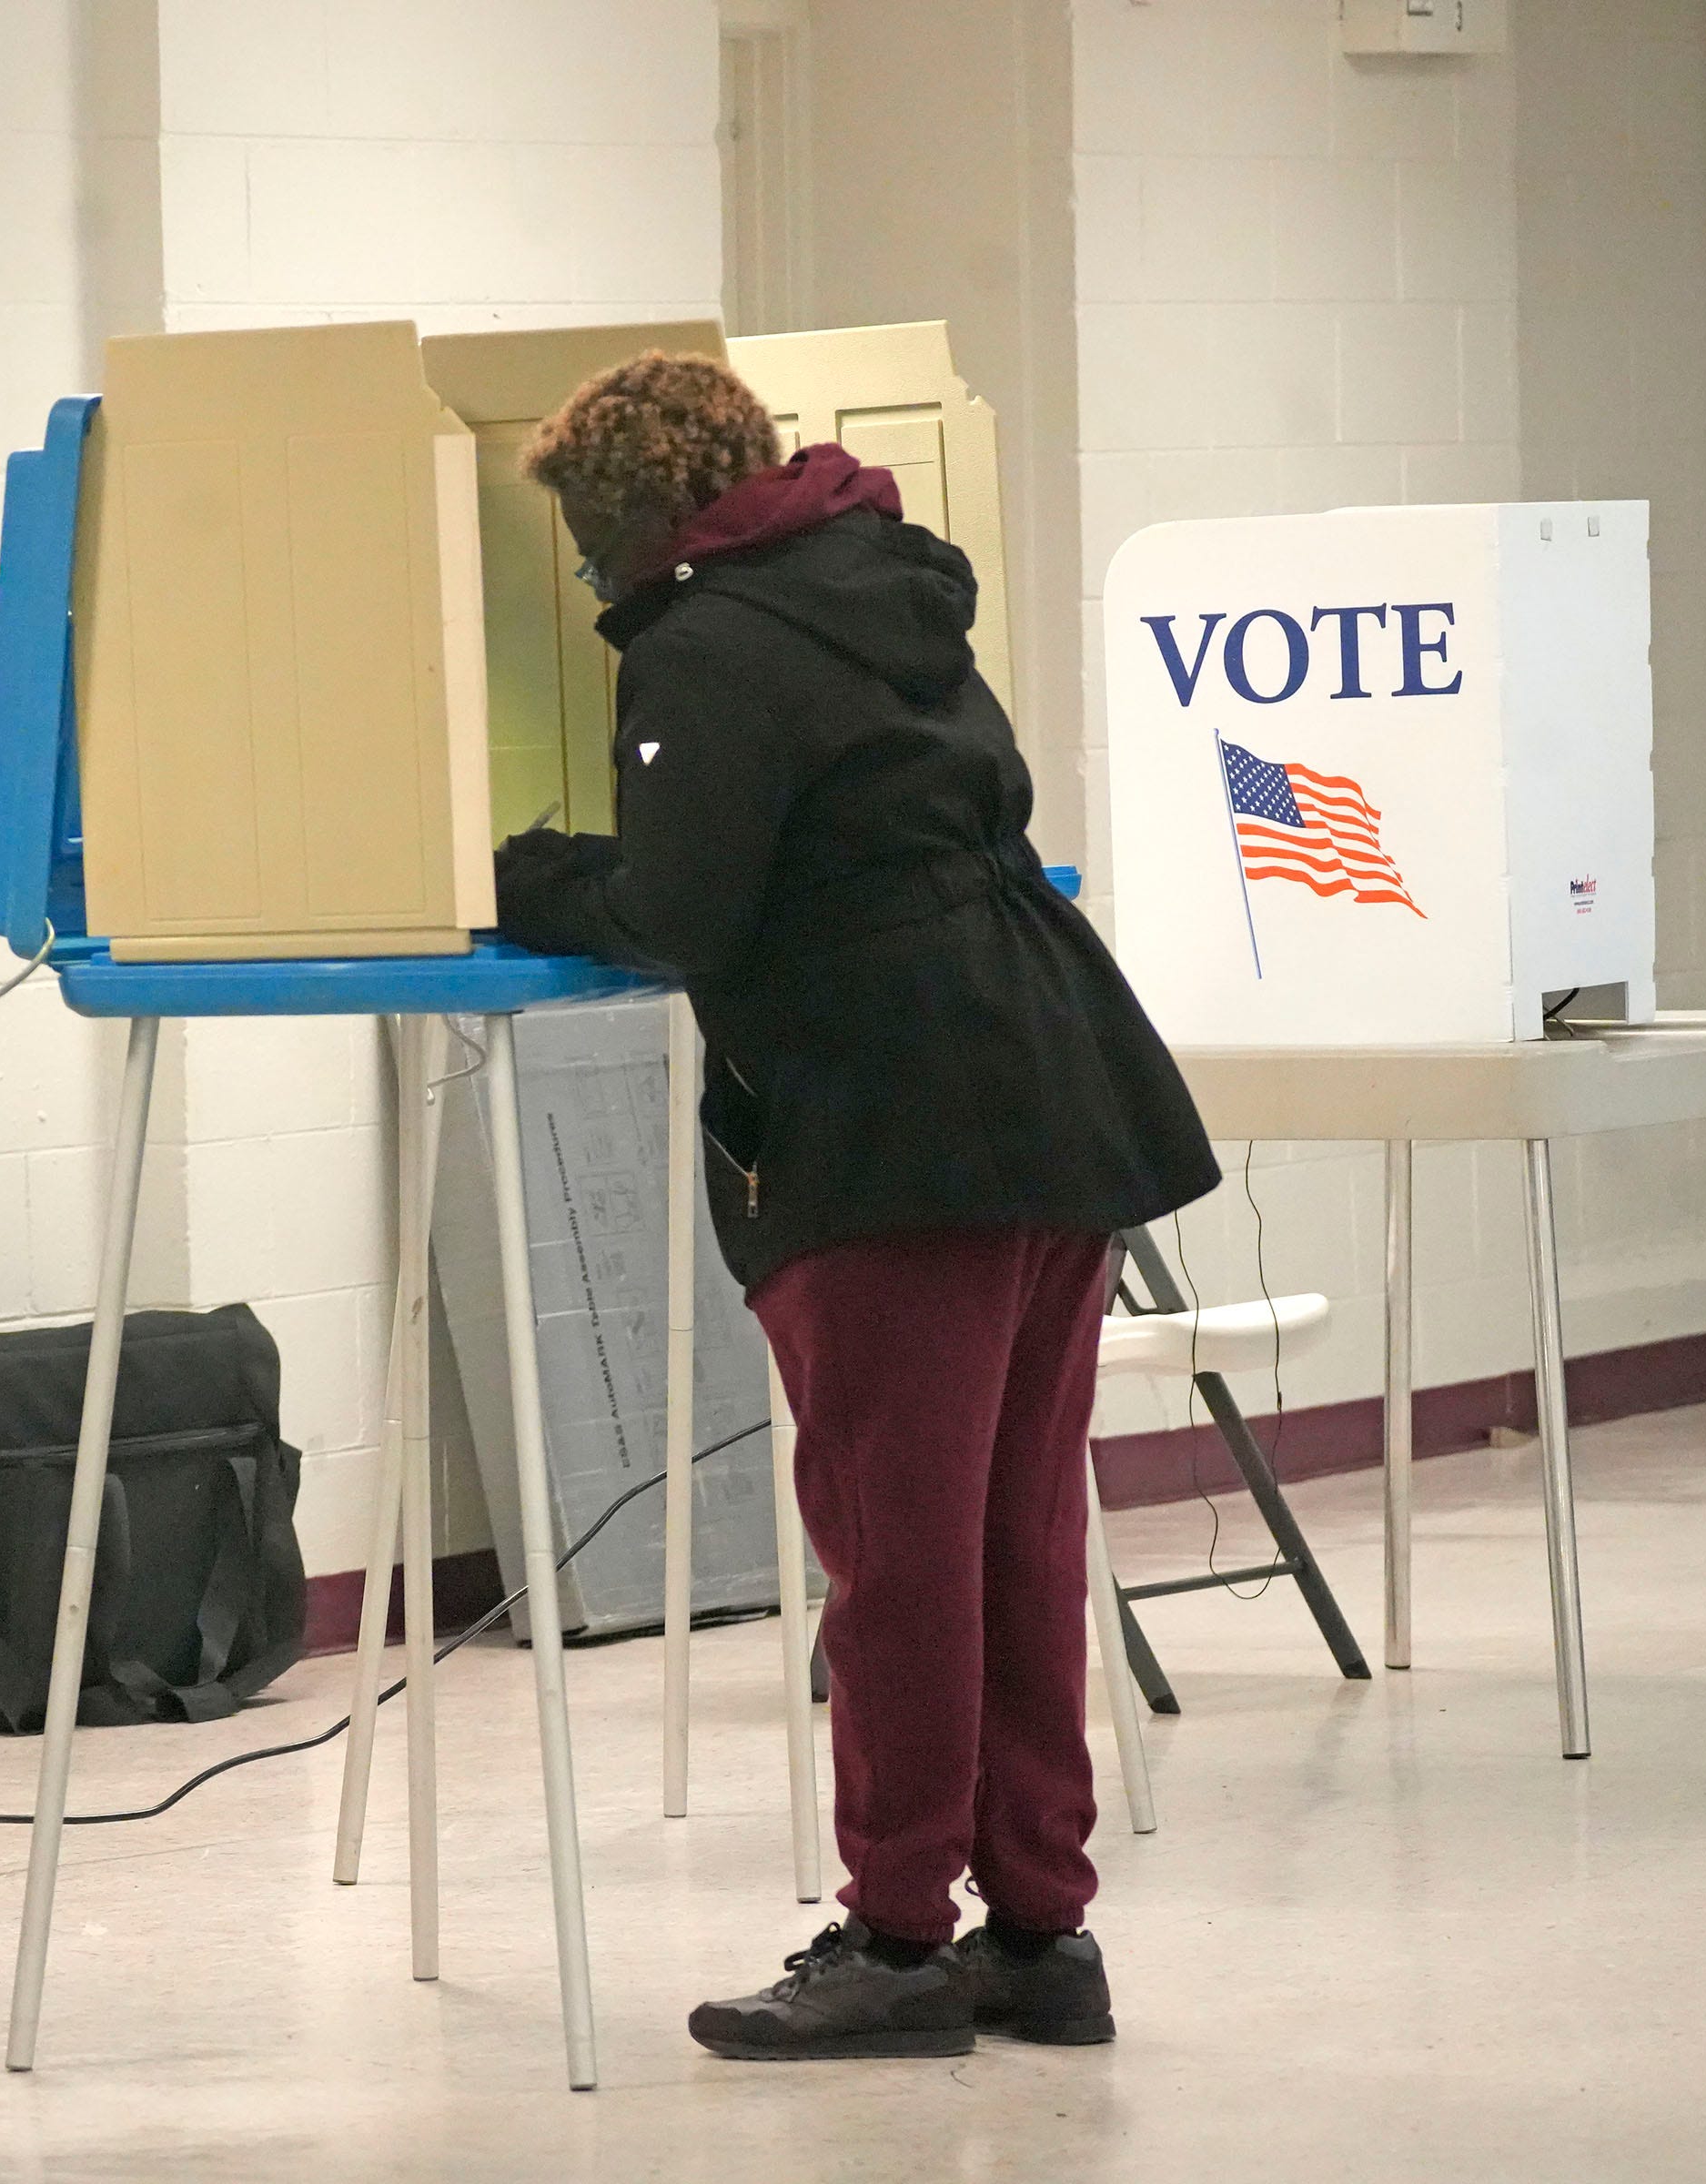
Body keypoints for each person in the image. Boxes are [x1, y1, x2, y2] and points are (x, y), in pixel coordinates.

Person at [494, 352, 1218, 2062]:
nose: (589, 583)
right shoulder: (882, 593)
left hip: (896, 1121)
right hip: (1054, 1085)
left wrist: (527, 875)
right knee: (1015, 1539)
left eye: (589, 547)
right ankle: (1040, 1933)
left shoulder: (707, 645)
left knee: (895, 1555)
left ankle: (896, 1939)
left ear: (638, 524)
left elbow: (679, 909)